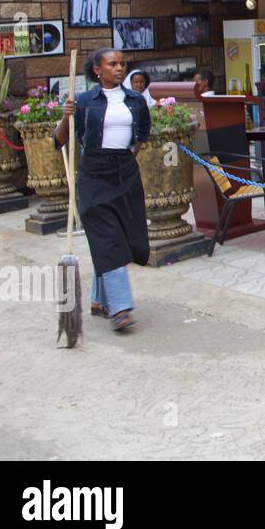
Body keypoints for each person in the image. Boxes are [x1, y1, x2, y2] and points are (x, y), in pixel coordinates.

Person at [54, 48, 152, 331]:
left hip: (125, 172)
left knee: (124, 236)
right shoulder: (84, 102)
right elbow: (59, 140)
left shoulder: (135, 100)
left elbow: (142, 134)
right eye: (112, 64)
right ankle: (120, 308)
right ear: (97, 70)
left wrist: (128, 158)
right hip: (94, 174)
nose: (119, 68)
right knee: (108, 238)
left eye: (122, 64)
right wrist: (66, 117)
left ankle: (98, 299)